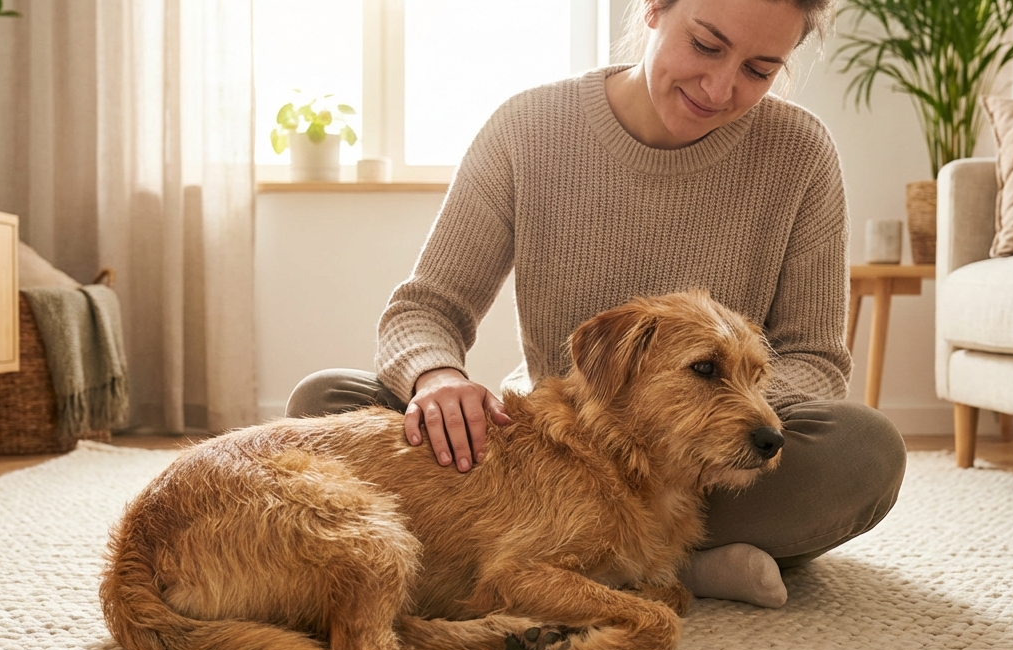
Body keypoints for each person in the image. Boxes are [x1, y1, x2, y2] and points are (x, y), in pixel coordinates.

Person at [287, 0, 907, 608]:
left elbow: (815, 358)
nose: (719, 88)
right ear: (654, 9)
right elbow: (424, 310)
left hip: (712, 460)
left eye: (758, 69)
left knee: (864, 451)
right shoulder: (528, 128)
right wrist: (438, 377)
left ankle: (631, 556)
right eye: (706, 45)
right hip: (557, 454)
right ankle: (664, 561)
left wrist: (699, 415)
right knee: (326, 403)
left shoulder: (800, 153)